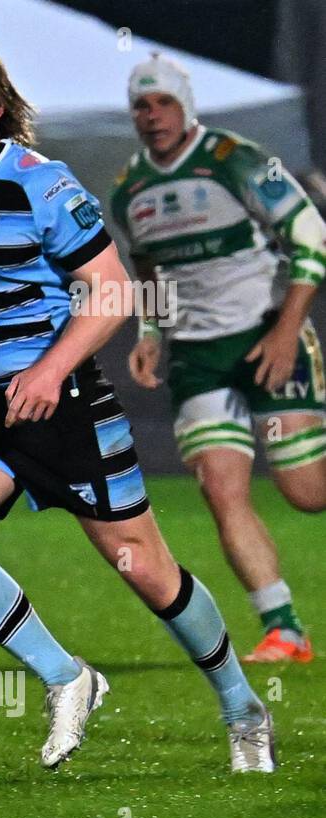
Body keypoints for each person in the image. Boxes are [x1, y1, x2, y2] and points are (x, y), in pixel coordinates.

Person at [0, 36, 275, 773]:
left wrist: (49, 368)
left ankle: (242, 706)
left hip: (61, 403)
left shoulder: (42, 183)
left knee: (145, 569)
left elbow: (114, 290)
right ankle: (68, 674)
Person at [114, 53, 326, 664]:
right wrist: (152, 330)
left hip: (266, 338)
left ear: (186, 107)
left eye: (162, 103)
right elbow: (148, 269)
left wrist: (287, 331)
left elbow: (311, 237)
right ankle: (285, 629)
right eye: (141, 106)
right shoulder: (130, 189)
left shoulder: (236, 161)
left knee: (308, 492)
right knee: (221, 490)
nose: (151, 116)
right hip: (199, 360)